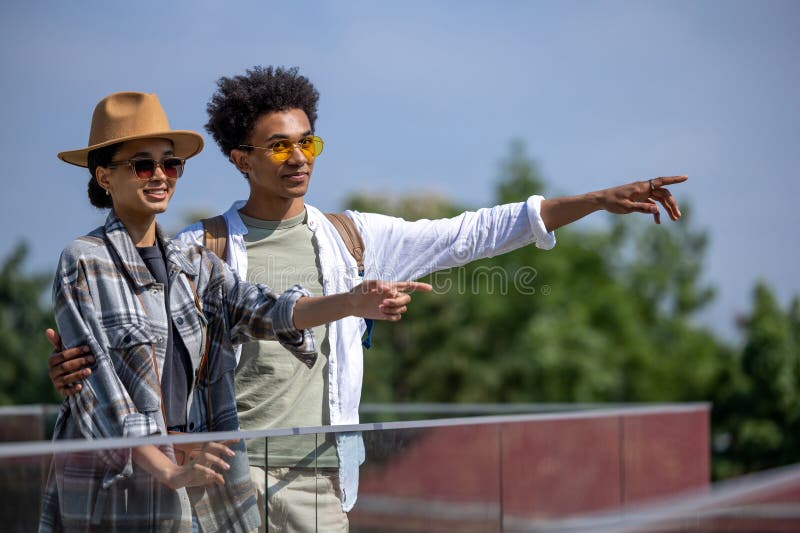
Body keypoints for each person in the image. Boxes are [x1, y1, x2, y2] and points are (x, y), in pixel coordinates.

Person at [48, 67, 687, 533]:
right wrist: (74, 371)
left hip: (318, 478)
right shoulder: (202, 245)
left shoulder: (354, 237)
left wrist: (595, 201)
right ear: (241, 159)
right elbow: (139, 354)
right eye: (279, 146)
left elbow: (472, 234)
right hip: (221, 481)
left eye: (308, 142)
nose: (298, 157)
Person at [39, 91, 430, 533]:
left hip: (188, 484)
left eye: (171, 164)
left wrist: (351, 302)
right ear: (104, 177)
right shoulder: (85, 260)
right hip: (118, 486)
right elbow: (101, 393)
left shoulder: (193, 264)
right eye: (142, 165)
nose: (161, 176)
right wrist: (166, 467)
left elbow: (265, 311)